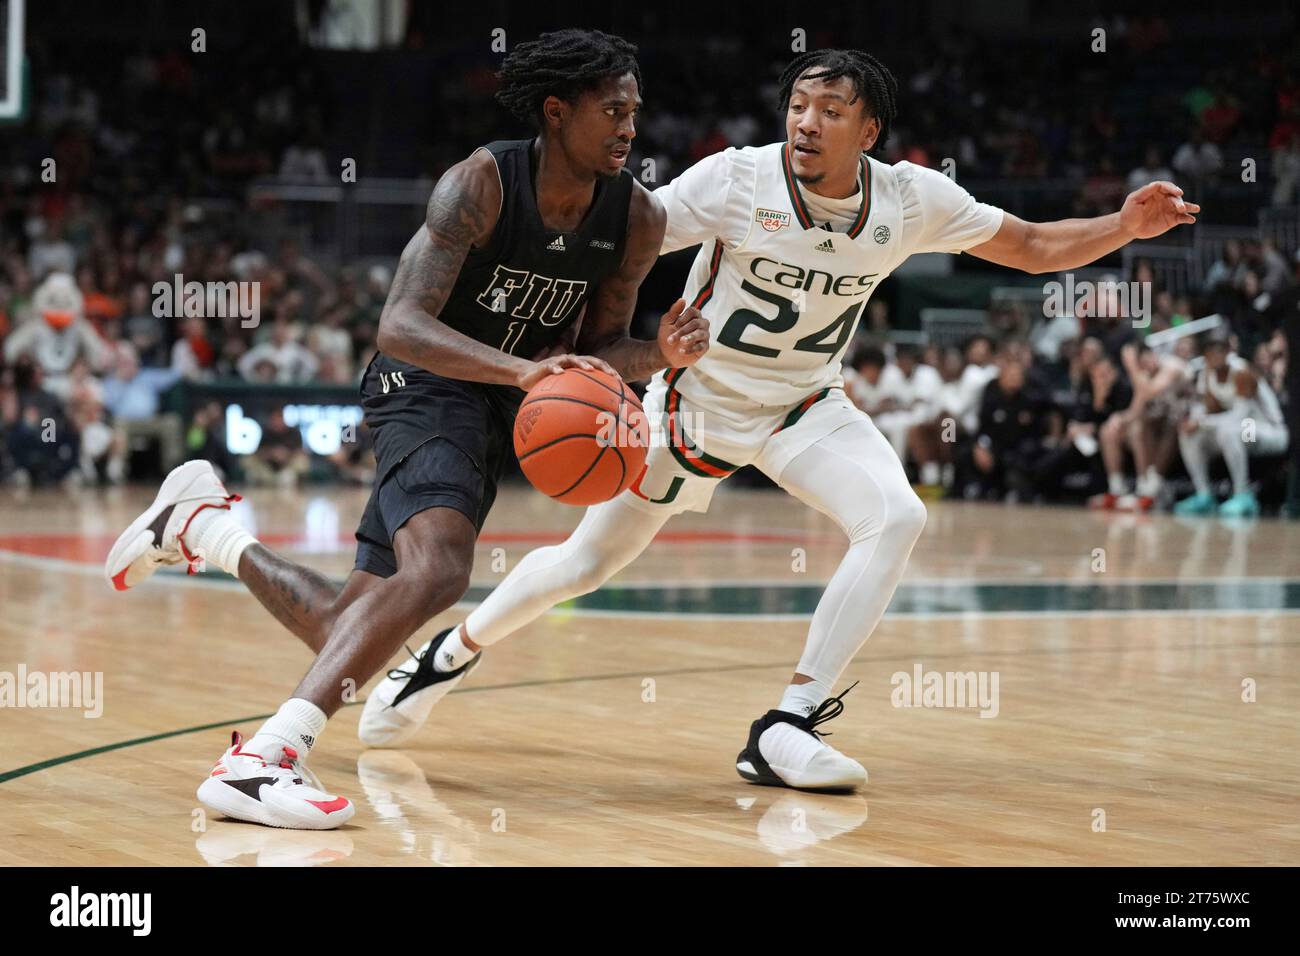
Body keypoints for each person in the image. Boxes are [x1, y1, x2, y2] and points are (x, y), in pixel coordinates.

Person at [365, 47, 1199, 792]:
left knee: (897, 515)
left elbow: (1030, 247)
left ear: (868, 130)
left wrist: (1122, 227)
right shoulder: (735, 179)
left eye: (831, 110)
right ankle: (450, 652)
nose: (807, 122)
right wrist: (590, 342)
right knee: (582, 564)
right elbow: (618, 242)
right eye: (799, 105)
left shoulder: (911, 200)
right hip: (692, 408)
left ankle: (788, 725)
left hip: (806, 407)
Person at [104, 30, 708, 830]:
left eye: (636, 112)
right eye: (613, 111)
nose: (631, 128)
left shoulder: (633, 217)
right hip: (422, 383)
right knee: (442, 570)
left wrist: (656, 354)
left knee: (346, 624)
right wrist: (521, 368)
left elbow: (598, 350)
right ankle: (263, 760)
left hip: (502, 405)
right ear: (557, 112)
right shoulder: (483, 184)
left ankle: (204, 528)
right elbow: (399, 324)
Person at [1174, 331, 1288, 517]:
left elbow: (1242, 416)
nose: (1214, 355)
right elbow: (1204, 408)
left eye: (1219, 350)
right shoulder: (1207, 373)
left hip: (1268, 429)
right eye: (1210, 350)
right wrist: (1193, 421)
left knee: (1229, 430)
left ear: (1228, 351)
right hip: (1237, 432)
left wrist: (1201, 422)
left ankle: (1243, 494)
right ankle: (1203, 494)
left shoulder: (1242, 371)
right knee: (1189, 433)